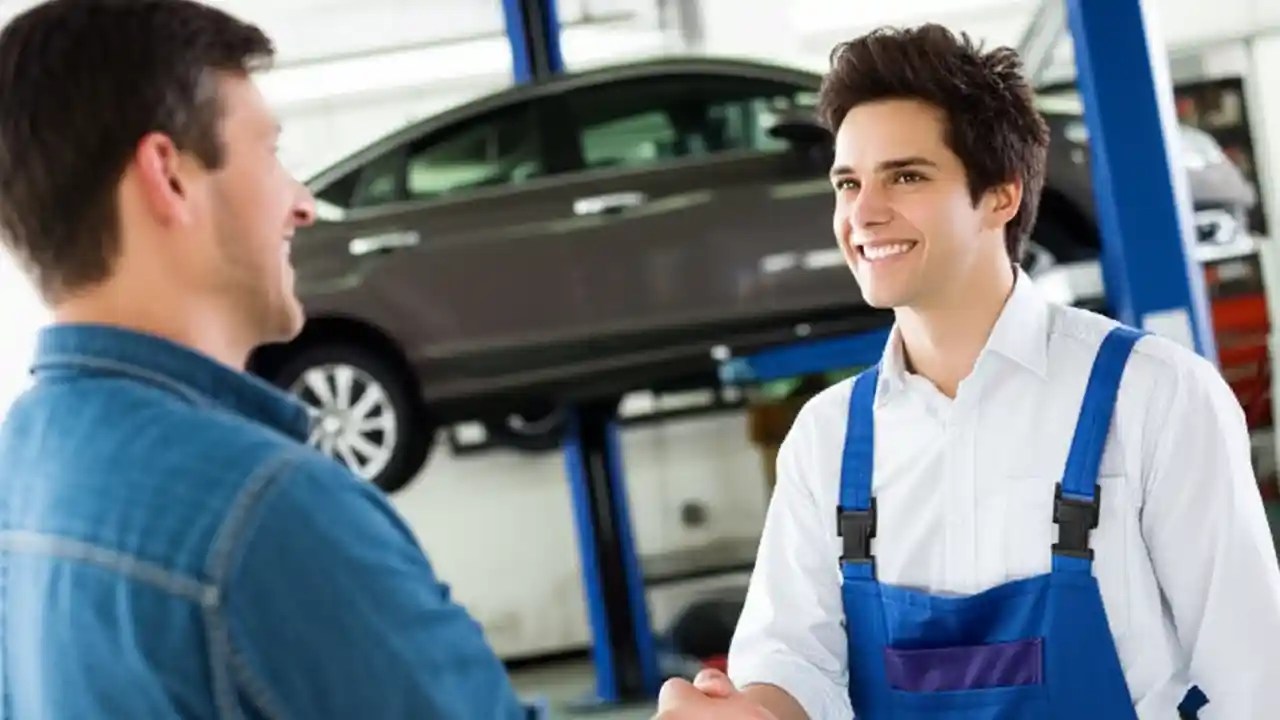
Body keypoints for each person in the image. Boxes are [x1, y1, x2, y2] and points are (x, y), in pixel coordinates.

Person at [655, 24, 1280, 720]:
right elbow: (794, 660)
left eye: (907, 176)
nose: (863, 212)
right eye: (848, 183)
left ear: (1001, 196)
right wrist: (754, 713)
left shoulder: (1154, 397)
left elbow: (1252, 677)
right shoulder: (827, 441)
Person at [0, 1, 529, 717]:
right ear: (169, 175)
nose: (302, 204)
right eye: (272, 154)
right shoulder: (268, 512)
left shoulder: (24, 471)